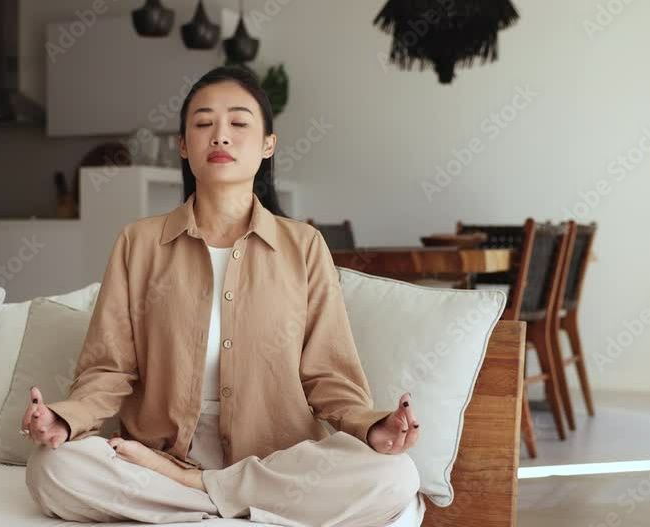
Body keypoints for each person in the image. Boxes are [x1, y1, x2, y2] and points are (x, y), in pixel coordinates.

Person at [21, 66, 421, 527]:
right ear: (183, 145)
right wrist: (64, 418)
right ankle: (236, 502)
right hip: (158, 451)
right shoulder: (139, 243)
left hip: (275, 460)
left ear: (268, 144)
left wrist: (372, 426)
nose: (221, 137)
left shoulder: (304, 245)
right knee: (52, 469)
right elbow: (109, 369)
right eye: (204, 123)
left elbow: (329, 376)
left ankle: (192, 490)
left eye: (239, 123)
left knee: (393, 476)